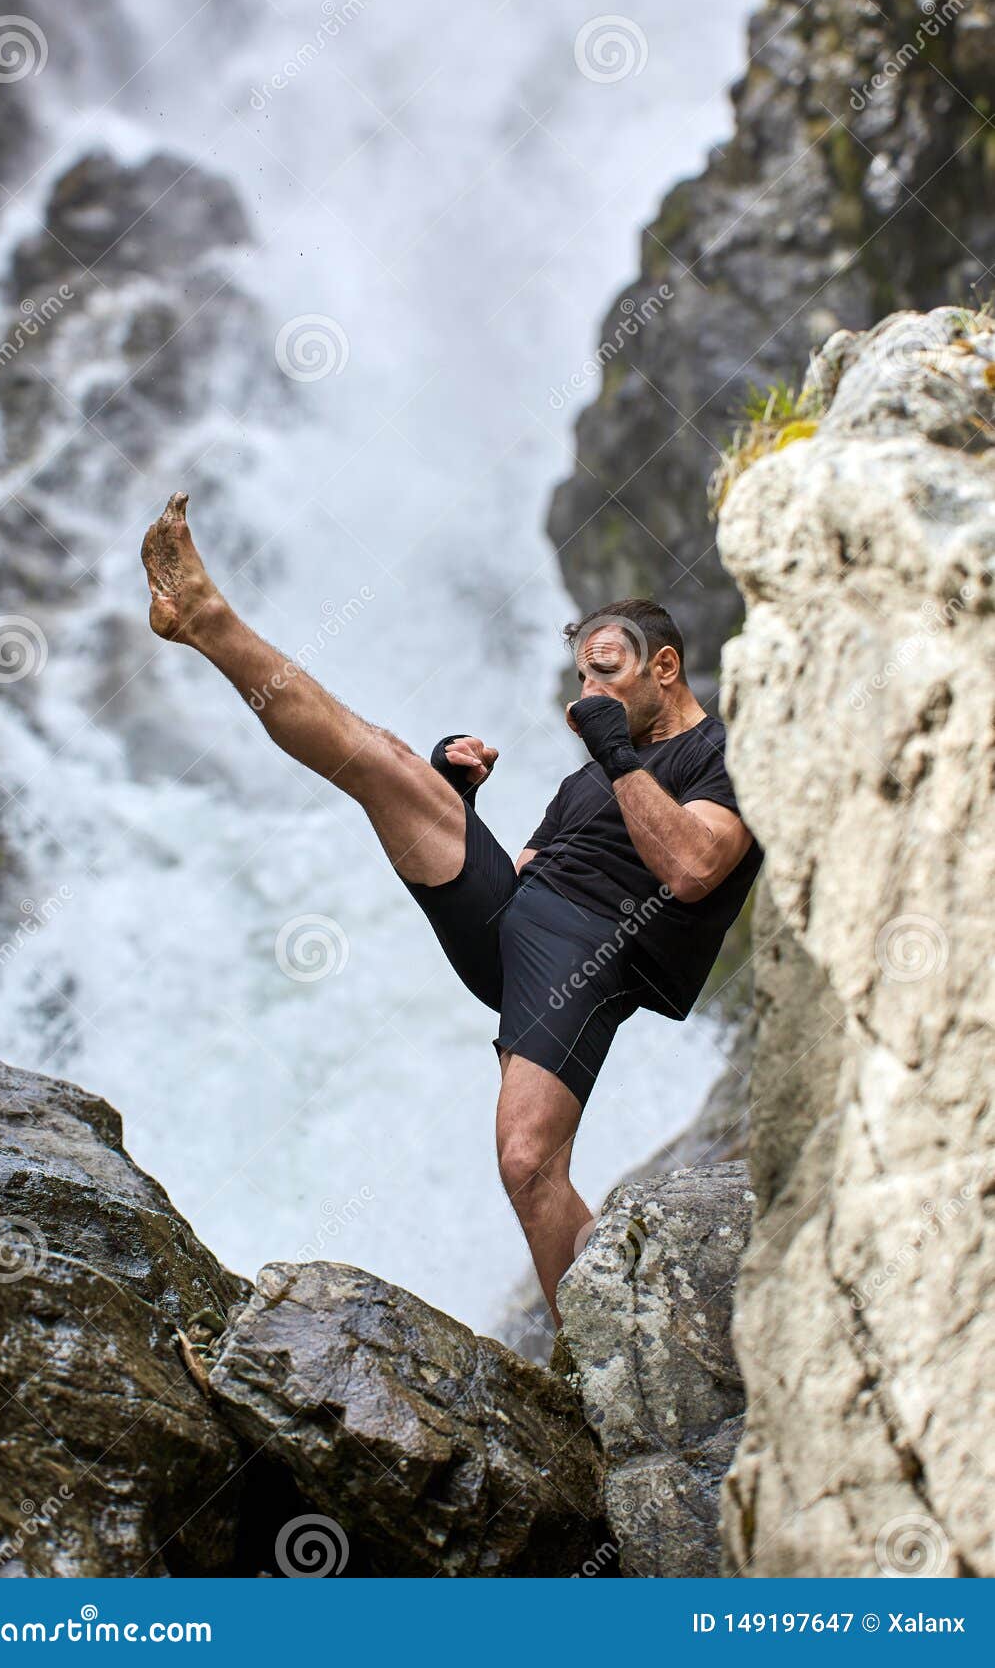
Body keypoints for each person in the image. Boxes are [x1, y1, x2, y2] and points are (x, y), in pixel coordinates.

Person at [141, 493, 762, 1322]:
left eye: (604, 672)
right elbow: (531, 867)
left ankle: (605, 1338)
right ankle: (205, 620)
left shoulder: (724, 754)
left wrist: (613, 750)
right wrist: (457, 798)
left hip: (592, 954)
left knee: (527, 1164)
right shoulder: (588, 778)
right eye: (579, 677)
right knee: (388, 762)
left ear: (664, 668)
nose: (587, 695)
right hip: (516, 922)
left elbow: (692, 867)